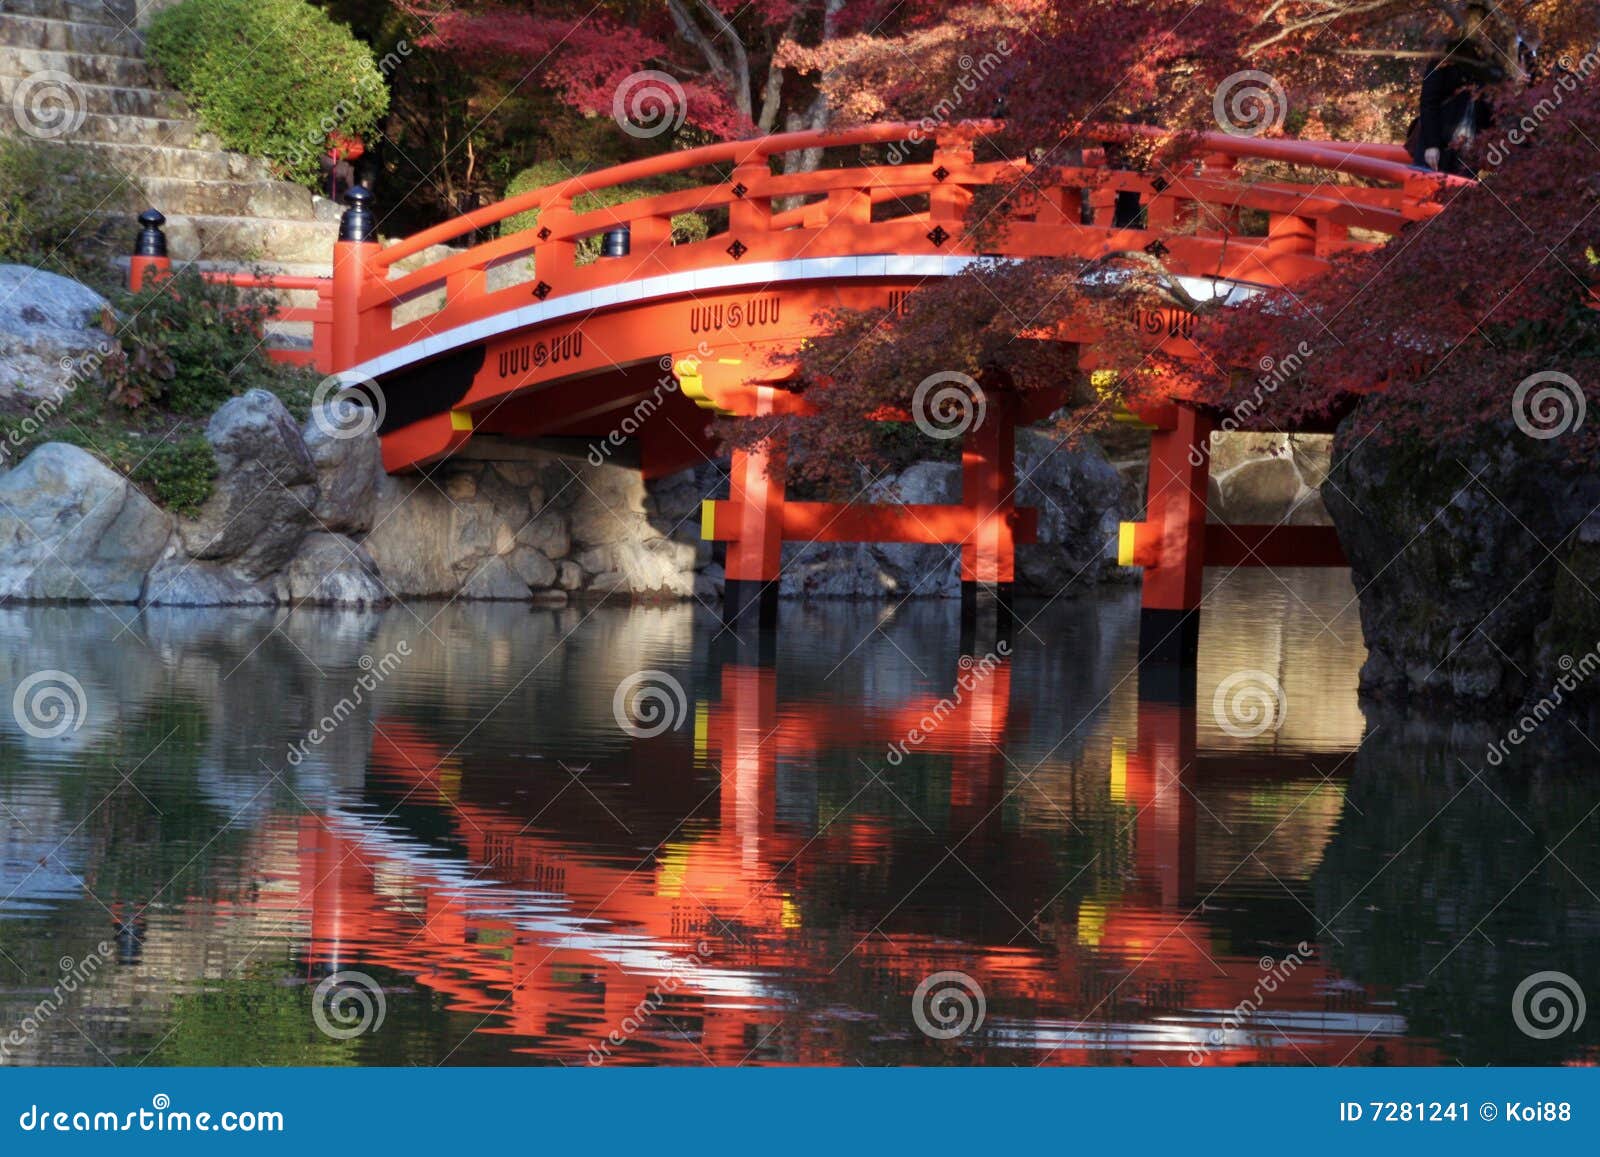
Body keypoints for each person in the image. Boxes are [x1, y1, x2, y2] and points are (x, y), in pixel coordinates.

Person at [320, 131, 365, 201]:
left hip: (336, 153)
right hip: (347, 152)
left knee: (335, 183)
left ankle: (337, 202)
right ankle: (347, 202)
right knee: (346, 180)